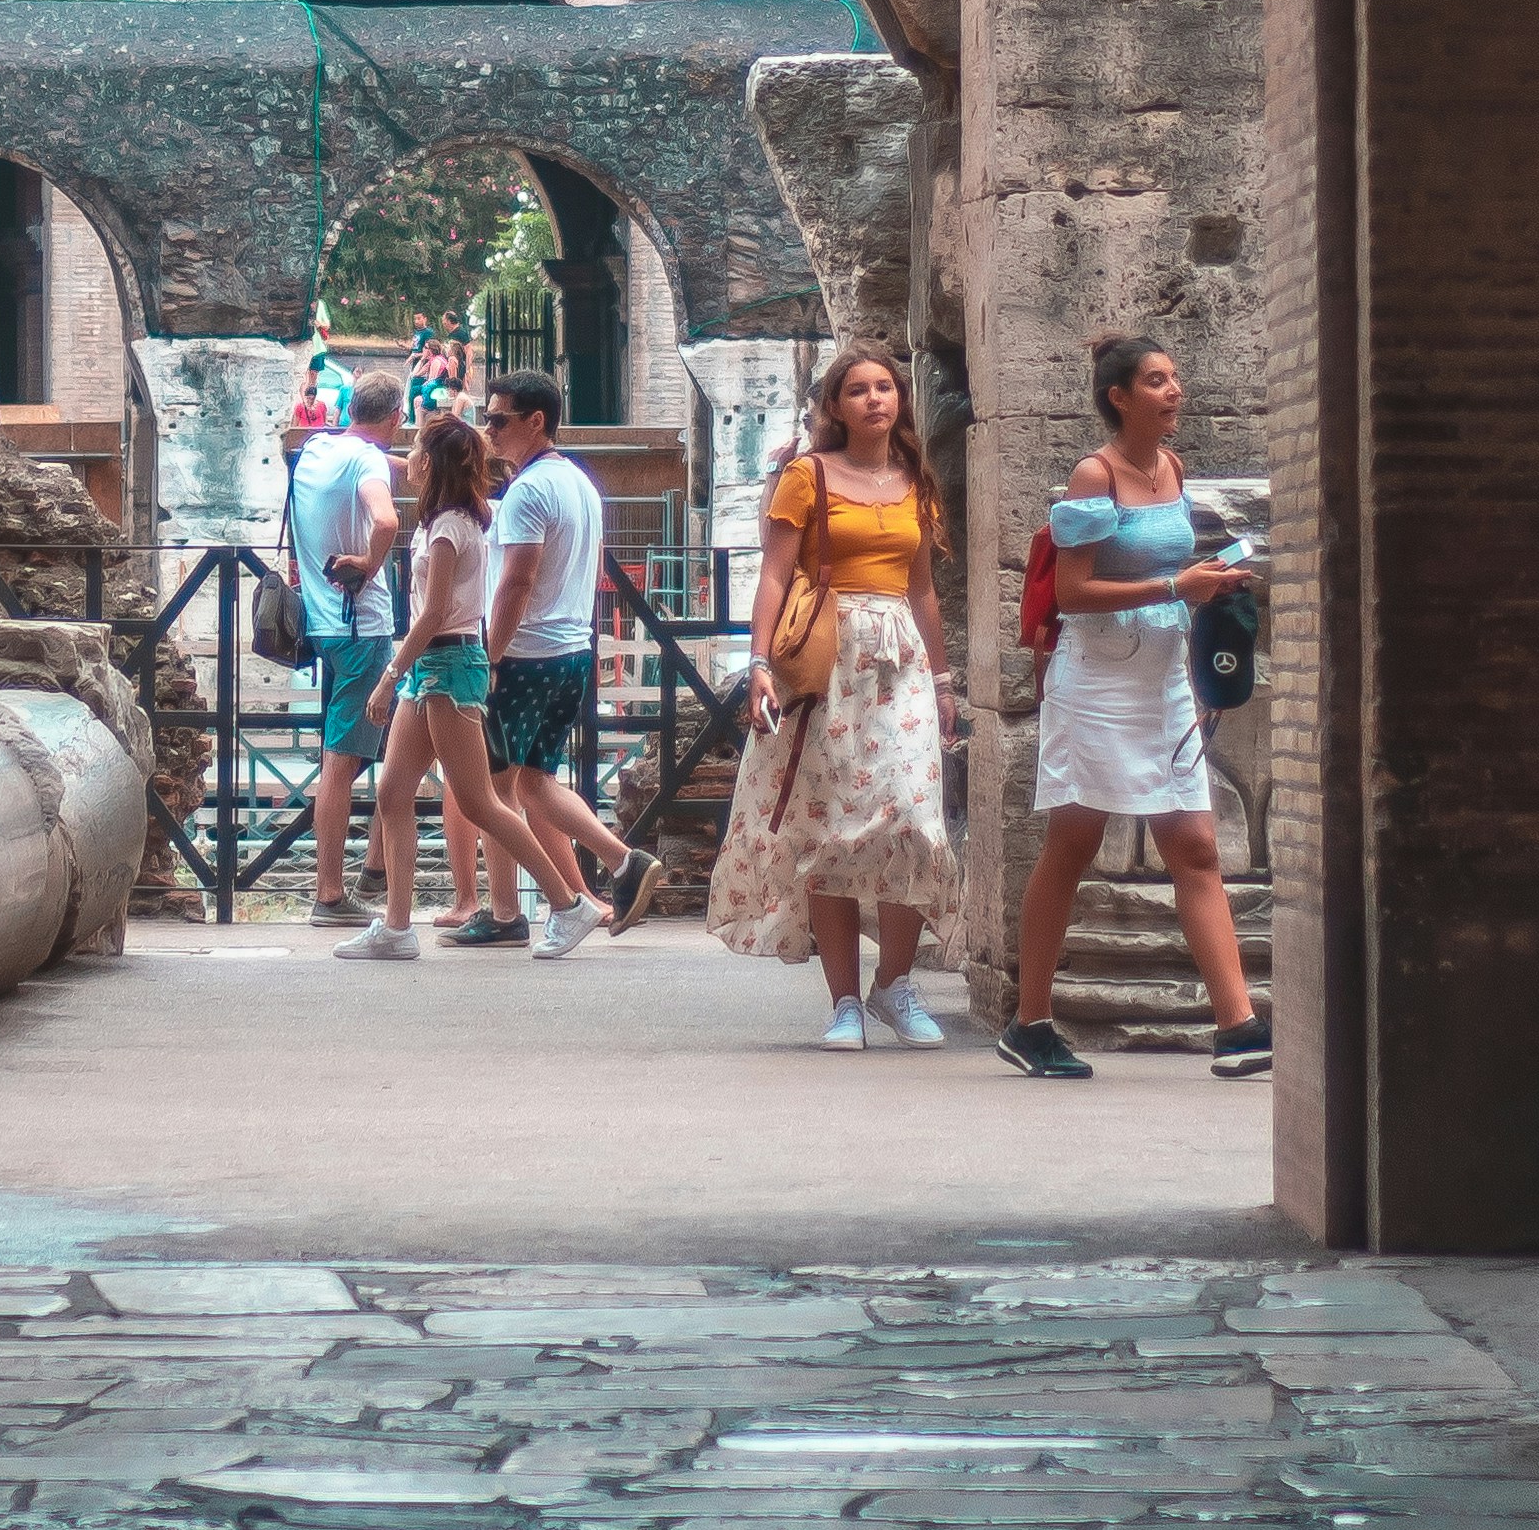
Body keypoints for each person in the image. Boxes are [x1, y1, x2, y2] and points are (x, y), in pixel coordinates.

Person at [997, 333, 1268, 1082]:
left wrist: (1208, 590)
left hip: (1162, 679)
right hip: (1098, 684)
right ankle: (1031, 1022)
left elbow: (1171, 572)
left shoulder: (1172, 466)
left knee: (1197, 849)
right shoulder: (1095, 474)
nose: (1174, 390)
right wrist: (1176, 587)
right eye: (1156, 380)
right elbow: (1074, 592)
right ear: (1119, 397)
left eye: (1176, 377)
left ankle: (1238, 1026)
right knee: (1072, 847)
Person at [703, 343, 957, 1044]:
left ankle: (895, 986)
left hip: (898, 659)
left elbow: (923, 589)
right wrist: (757, 662)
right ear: (835, 407)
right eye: (859, 390)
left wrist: (942, 678)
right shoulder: (806, 475)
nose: (876, 399)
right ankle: (844, 999)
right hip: (826, 662)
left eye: (885, 387)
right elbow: (775, 576)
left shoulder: (915, 479)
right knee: (832, 828)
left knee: (913, 821)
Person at [335, 413, 566, 962]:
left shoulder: (446, 528)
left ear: (432, 465)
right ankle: (395, 927)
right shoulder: (449, 521)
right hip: (436, 667)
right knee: (393, 792)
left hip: (447, 664)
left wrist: (389, 676)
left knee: (479, 800)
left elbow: (435, 610)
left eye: (417, 449)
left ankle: (565, 901)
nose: (409, 458)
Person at [476, 371, 665, 955]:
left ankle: (509, 910)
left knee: (493, 787)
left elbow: (517, 582)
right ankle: (610, 870)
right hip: (570, 651)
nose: (490, 431)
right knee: (533, 783)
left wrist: (490, 657)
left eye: (499, 420)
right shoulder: (579, 482)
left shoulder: (530, 492)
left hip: (526, 654)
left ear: (536, 422)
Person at [289, 374, 404, 930]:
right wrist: (370, 562)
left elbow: (374, 460)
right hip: (363, 630)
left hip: (323, 627)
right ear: (395, 417)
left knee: (380, 749)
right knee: (342, 761)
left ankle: (374, 869)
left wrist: (411, 460)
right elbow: (386, 519)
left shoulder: (318, 446)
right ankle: (331, 894)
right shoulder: (368, 464)